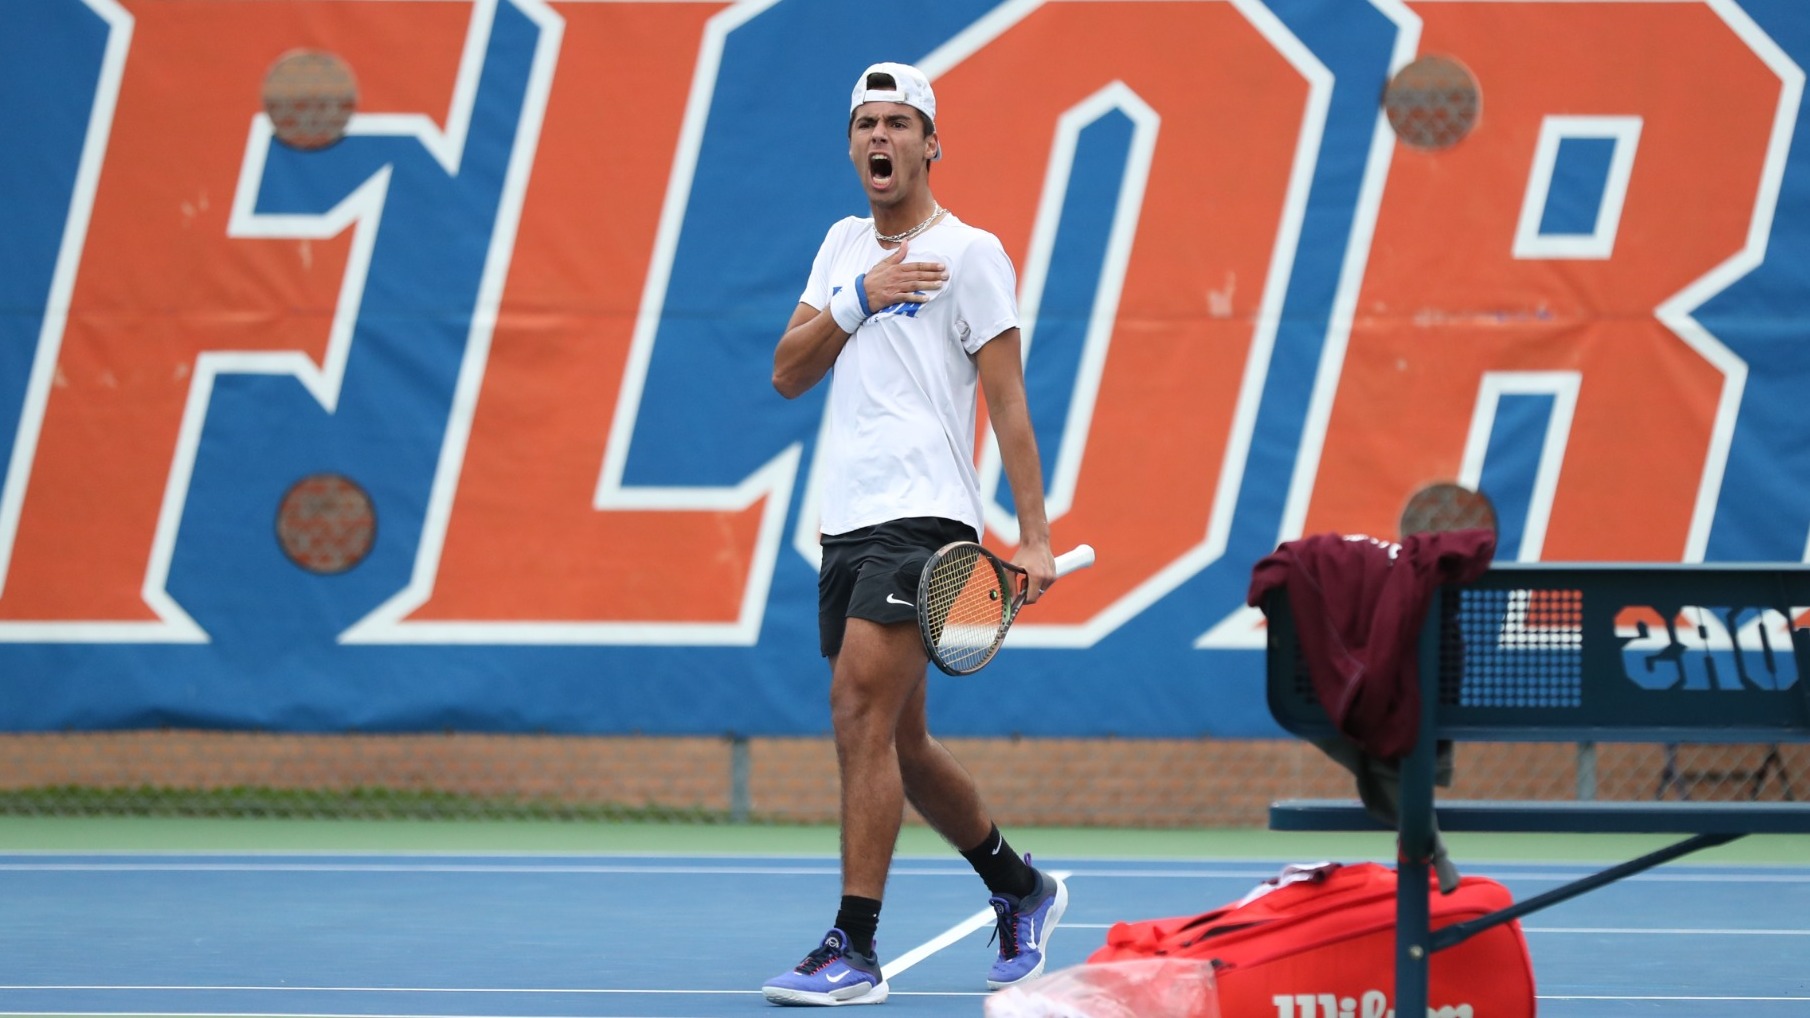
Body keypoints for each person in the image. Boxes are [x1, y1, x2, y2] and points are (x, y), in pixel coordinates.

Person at [760, 62, 1068, 1007]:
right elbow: (787, 371)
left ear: (932, 144)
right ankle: (1021, 888)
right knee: (902, 742)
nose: (881, 138)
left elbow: (1009, 404)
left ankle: (854, 946)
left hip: (926, 515)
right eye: (866, 124)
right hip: (845, 523)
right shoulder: (842, 247)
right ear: (853, 145)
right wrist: (863, 292)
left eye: (900, 123)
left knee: (857, 711)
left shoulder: (973, 253)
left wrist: (1037, 536)